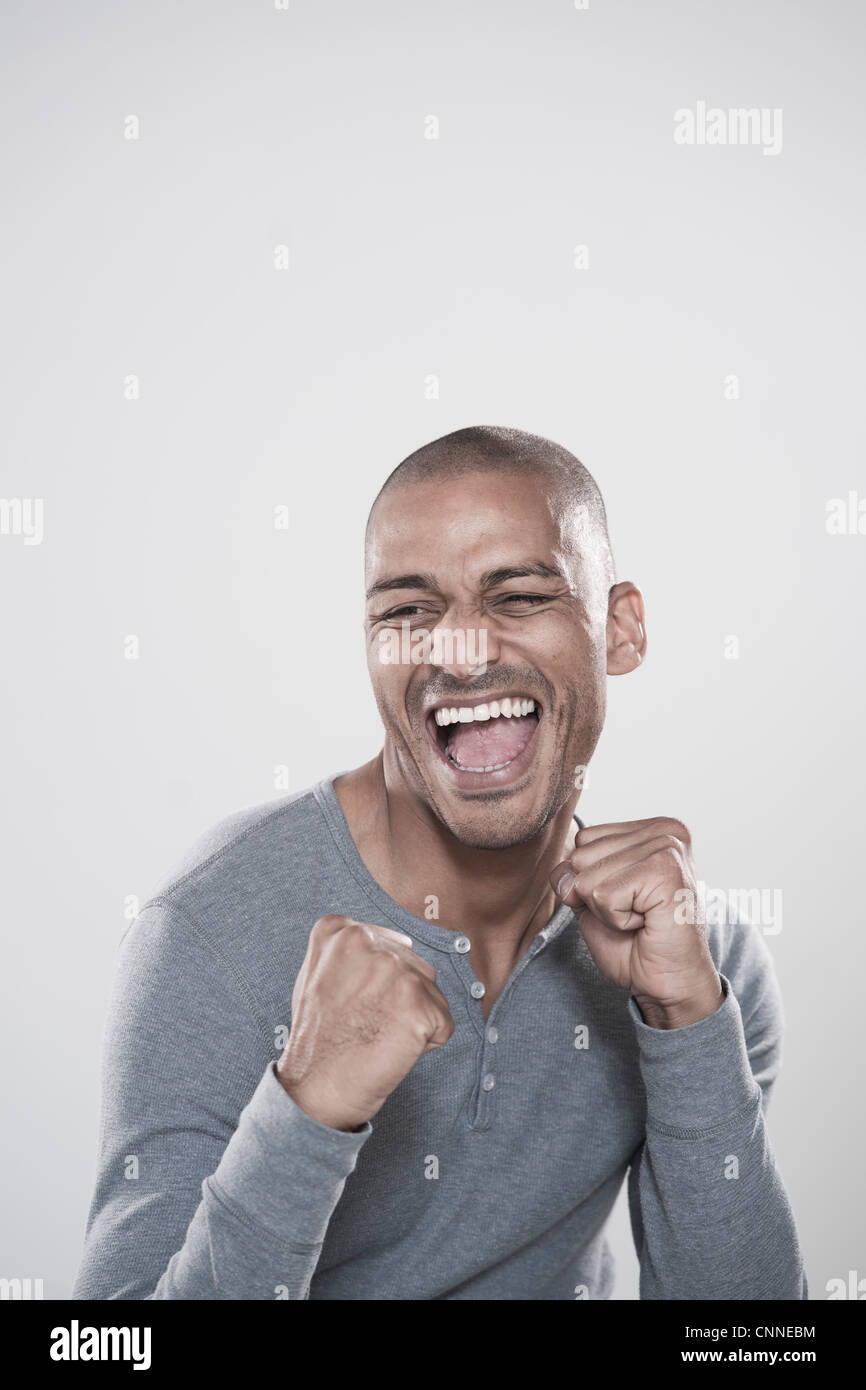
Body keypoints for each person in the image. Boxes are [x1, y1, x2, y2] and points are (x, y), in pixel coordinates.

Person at [73, 425, 807, 1300]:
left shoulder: (696, 962)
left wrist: (686, 1020)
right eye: (408, 610)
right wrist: (306, 1108)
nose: (460, 650)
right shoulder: (208, 934)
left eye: (520, 595)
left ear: (620, 630)